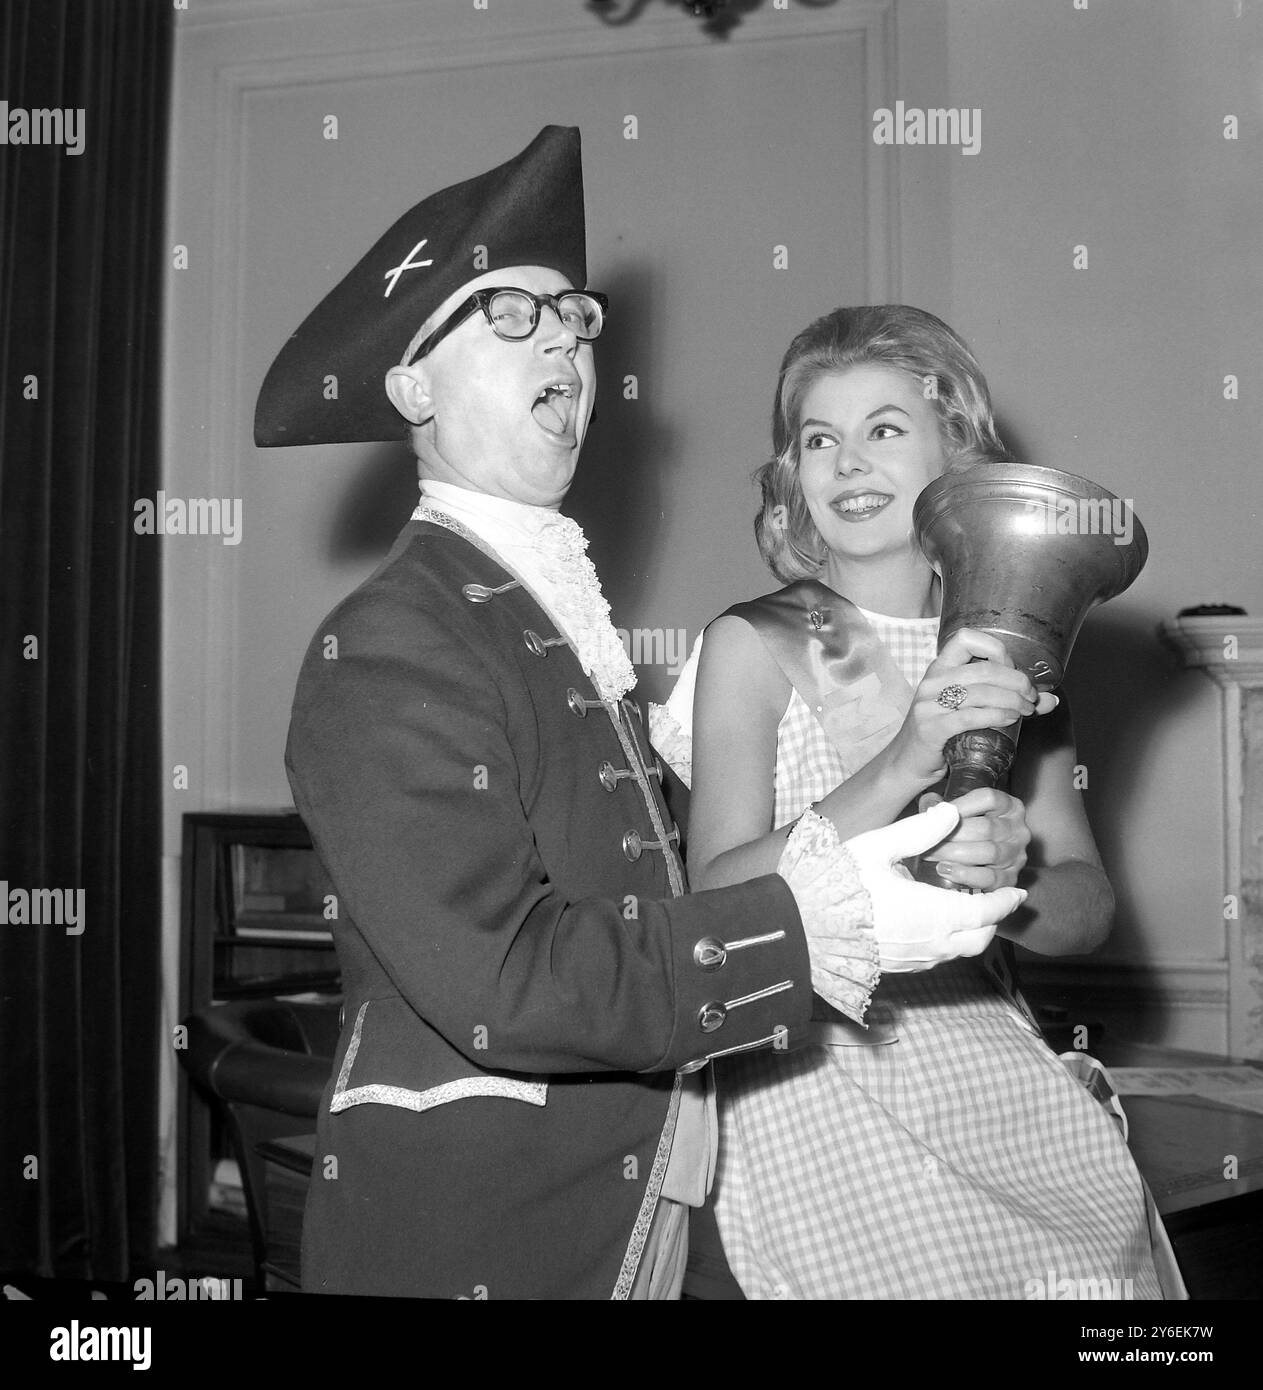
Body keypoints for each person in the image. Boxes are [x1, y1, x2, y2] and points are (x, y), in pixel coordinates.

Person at [253, 130, 1026, 1300]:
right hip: (485, 1235)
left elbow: (639, 892)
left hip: (641, 1192)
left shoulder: (552, 616)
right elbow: (508, 984)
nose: (563, 330)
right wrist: (816, 931)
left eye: (573, 313)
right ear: (411, 387)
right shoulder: (390, 640)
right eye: (510, 311)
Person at [651, 304, 1185, 1300]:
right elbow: (714, 895)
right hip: (809, 1054)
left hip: (981, 1049)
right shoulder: (753, 644)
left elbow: (1089, 906)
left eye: (885, 430)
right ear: (792, 477)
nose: (848, 461)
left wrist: (1007, 885)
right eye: (820, 439)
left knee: (1093, 1258)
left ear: (958, 456)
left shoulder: (1015, 652)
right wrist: (904, 759)